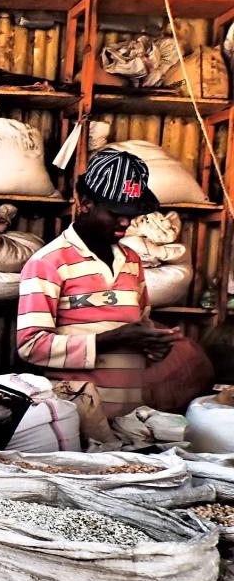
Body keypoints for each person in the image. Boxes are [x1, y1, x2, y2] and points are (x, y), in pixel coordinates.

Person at [17, 149, 179, 418]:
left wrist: (154, 346)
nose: (125, 222)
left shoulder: (132, 262)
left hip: (129, 414)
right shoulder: (48, 263)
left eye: (131, 213)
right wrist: (112, 339)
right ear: (85, 203)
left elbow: (140, 330)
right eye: (115, 212)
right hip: (76, 416)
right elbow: (31, 346)